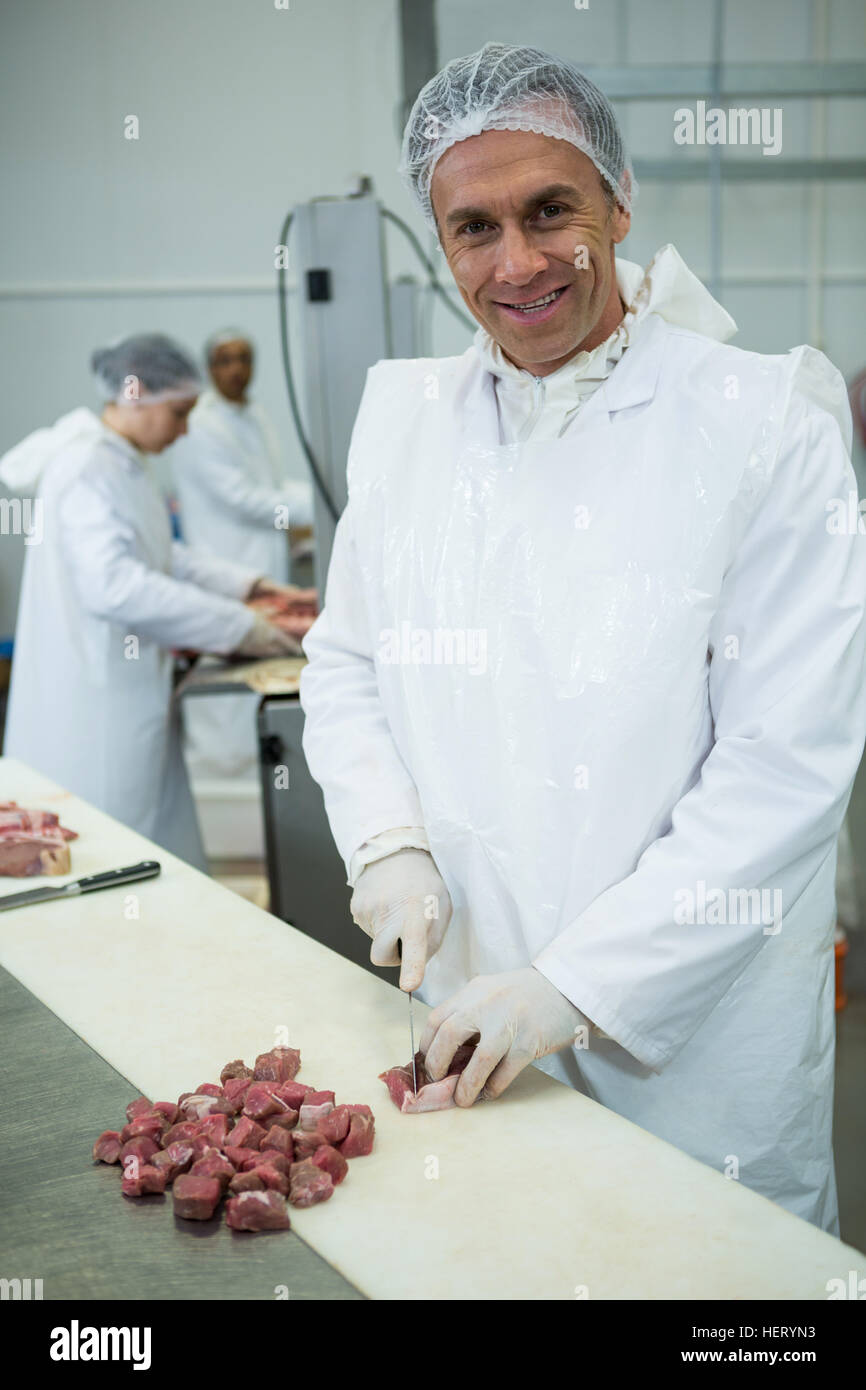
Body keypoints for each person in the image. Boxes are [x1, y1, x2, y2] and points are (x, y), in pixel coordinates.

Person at [298, 43, 866, 1234]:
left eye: (549, 210)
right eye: (472, 227)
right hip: (466, 1008)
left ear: (616, 202)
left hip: (692, 1044)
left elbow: (786, 763)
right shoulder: (403, 422)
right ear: (439, 242)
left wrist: (574, 983)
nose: (516, 262)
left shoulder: (765, 420)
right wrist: (386, 842)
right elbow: (347, 661)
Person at [0, 333, 312, 871]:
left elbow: (165, 555)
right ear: (135, 393)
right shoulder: (84, 469)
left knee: (156, 851)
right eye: (180, 413)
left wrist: (252, 588)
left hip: (132, 697)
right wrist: (239, 627)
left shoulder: (124, 462)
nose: (187, 428)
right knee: (108, 856)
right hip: (95, 709)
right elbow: (116, 584)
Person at [170, 329, 316, 778]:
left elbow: (269, 488)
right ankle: (226, 773)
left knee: (261, 679)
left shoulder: (254, 416)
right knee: (228, 687)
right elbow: (243, 499)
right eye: (225, 360)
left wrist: (322, 499)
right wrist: (318, 505)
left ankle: (258, 774)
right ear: (210, 369)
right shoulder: (201, 424)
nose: (236, 369)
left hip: (260, 567)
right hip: (224, 565)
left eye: (244, 359)